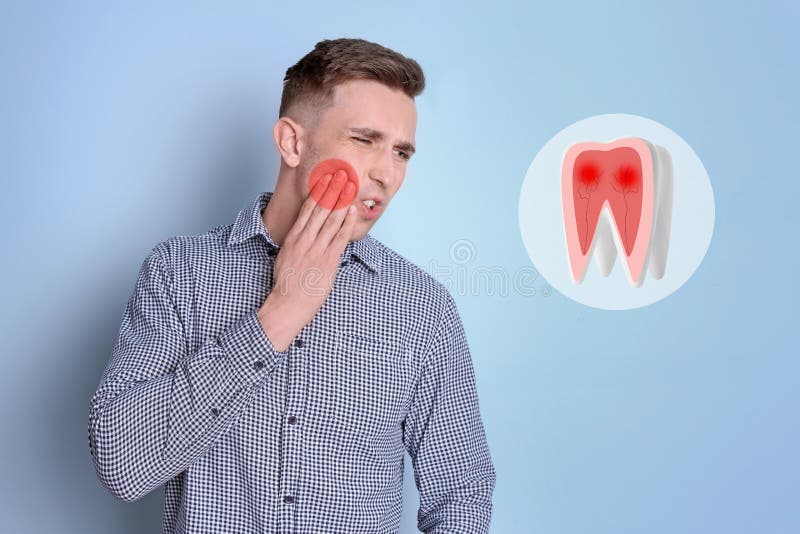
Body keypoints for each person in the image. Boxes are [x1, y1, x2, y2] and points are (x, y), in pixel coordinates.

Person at [88, 37, 496, 533]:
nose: (386, 173)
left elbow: (462, 491)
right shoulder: (180, 272)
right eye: (364, 140)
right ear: (292, 142)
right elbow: (119, 462)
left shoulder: (421, 306)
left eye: (402, 152)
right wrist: (281, 312)